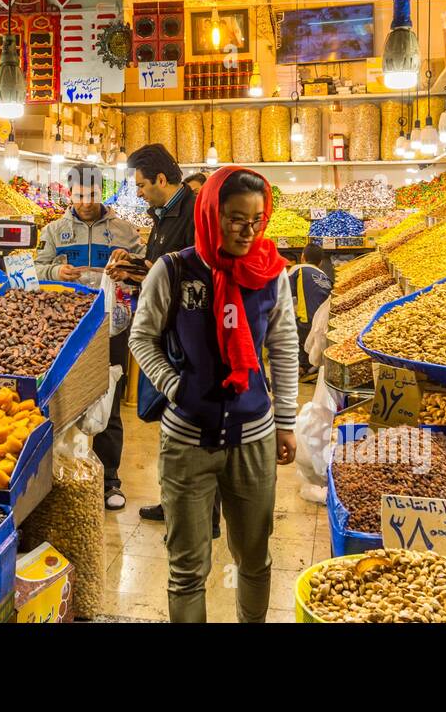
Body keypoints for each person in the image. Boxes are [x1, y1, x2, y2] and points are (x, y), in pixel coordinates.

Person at [129, 167, 299, 623]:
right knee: (187, 566)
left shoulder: (270, 274)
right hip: (187, 441)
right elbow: (142, 337)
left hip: (254, 436)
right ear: (210, 215)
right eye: (235, 219)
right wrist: (174, 385)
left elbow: (284, 345)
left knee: (255, 556)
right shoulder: (174, 270)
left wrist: (286, 421)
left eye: (257, 220)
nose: (248, 231)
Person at [106, 143, 220, 535]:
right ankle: (177, 503)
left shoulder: (195, 213)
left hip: (194, 335)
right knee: (175, 425)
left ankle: (202, 517)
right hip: (171, 331)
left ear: (159, 179)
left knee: (196, 426)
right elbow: (162, 267)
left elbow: (196, 272)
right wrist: (134, 267)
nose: (138, 192)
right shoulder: (163, 214)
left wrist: (144, 272)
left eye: (141, 185)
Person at [36, 165, 141, 511]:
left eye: (92, 194)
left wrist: (129, 265)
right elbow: (36, 269)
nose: (85, 202)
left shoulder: (124, 230)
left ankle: (109, 480)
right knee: (63, 401)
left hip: (112, 326)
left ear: (101, 192)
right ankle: (60, 476)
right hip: (66, 328)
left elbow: (146, 270)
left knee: (109, 401)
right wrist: (56, 271)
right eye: (79, 195)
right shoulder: (54, 231)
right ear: (69, 194)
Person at [289, 243, 333, 378]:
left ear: (302, 257)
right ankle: (310, 367)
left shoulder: (297, 269)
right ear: (320, 263)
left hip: (305, 321)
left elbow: (283, 292)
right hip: (323, 323)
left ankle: (302, 368)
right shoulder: (325, 276)